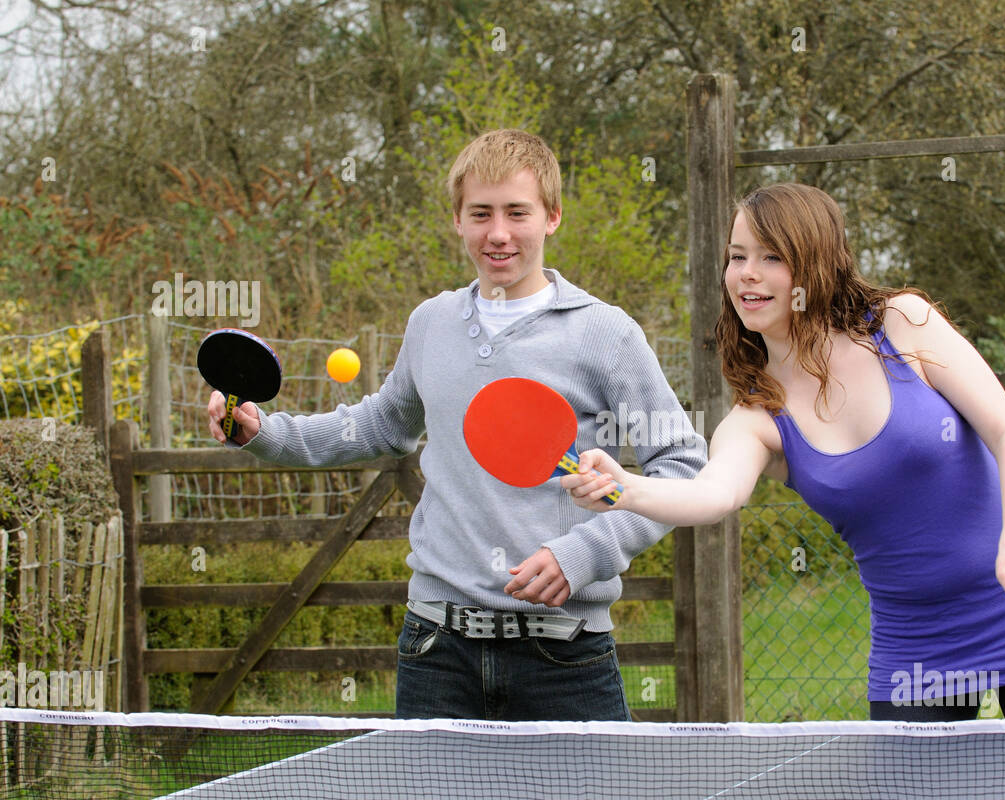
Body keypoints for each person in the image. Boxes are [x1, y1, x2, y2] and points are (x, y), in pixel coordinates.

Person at [207, 129, 706, 721]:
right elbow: (378, 426)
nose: (498, 233)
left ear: (552, 217)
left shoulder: (606, 334)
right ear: (458, 220)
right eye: (481, 213)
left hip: (564, 653)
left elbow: (682, 469)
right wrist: (263, 433)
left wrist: (587, 551)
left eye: (517, 212)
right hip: (435, 649)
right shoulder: (431, 323)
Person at [563, 182, 1005, 721]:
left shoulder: (903, 324)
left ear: (815, 263)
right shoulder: (756, 418)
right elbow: (712, 495)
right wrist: (625, 488)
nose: (747, 272)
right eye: (737, 257)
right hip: (913, 652)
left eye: (771, 256)